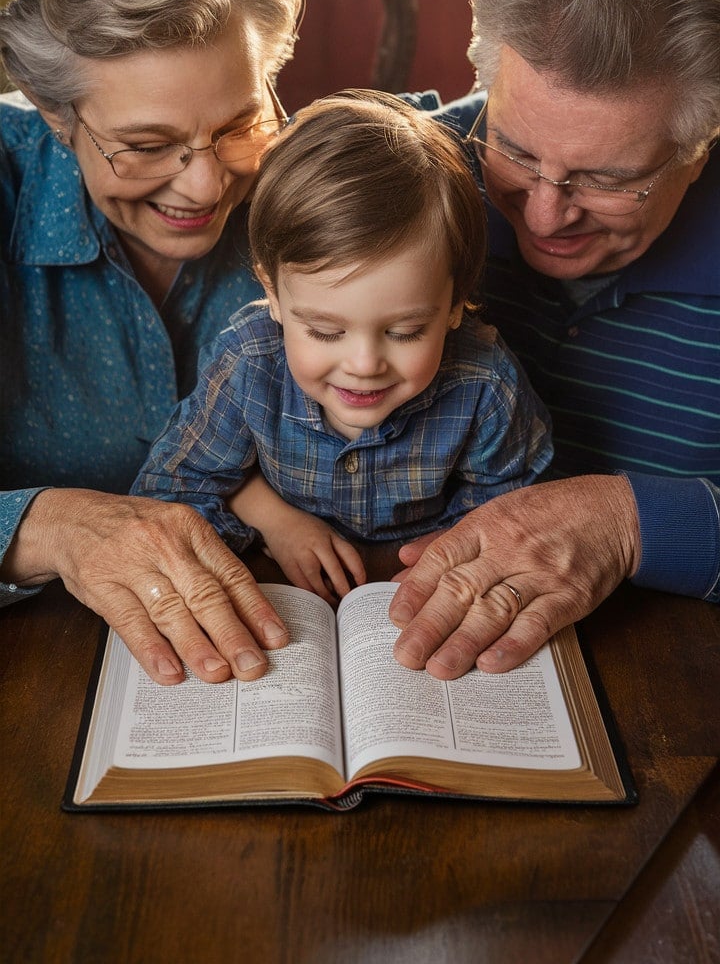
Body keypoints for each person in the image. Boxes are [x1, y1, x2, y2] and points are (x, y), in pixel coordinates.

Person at [389, 0, 719, 682]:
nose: (541, 217)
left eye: (606, 179)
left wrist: (630, 522)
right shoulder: (399, 181)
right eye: (517, 152)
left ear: (700, 145)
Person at [0, 0, 307, 685]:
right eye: (143, 145)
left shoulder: (313, 178)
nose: (206, 187)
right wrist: (49, 528)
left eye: (240, 124)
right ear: (55, 112)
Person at [133, 92, 553, 602]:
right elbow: (171, 490)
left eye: (405, 333)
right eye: (326, 332)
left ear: (454, 304)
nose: (363, 365)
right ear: (274, 295)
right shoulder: (248, 364)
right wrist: (277, 522)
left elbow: (517, 513)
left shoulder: (485, 384)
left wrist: (454, 551)